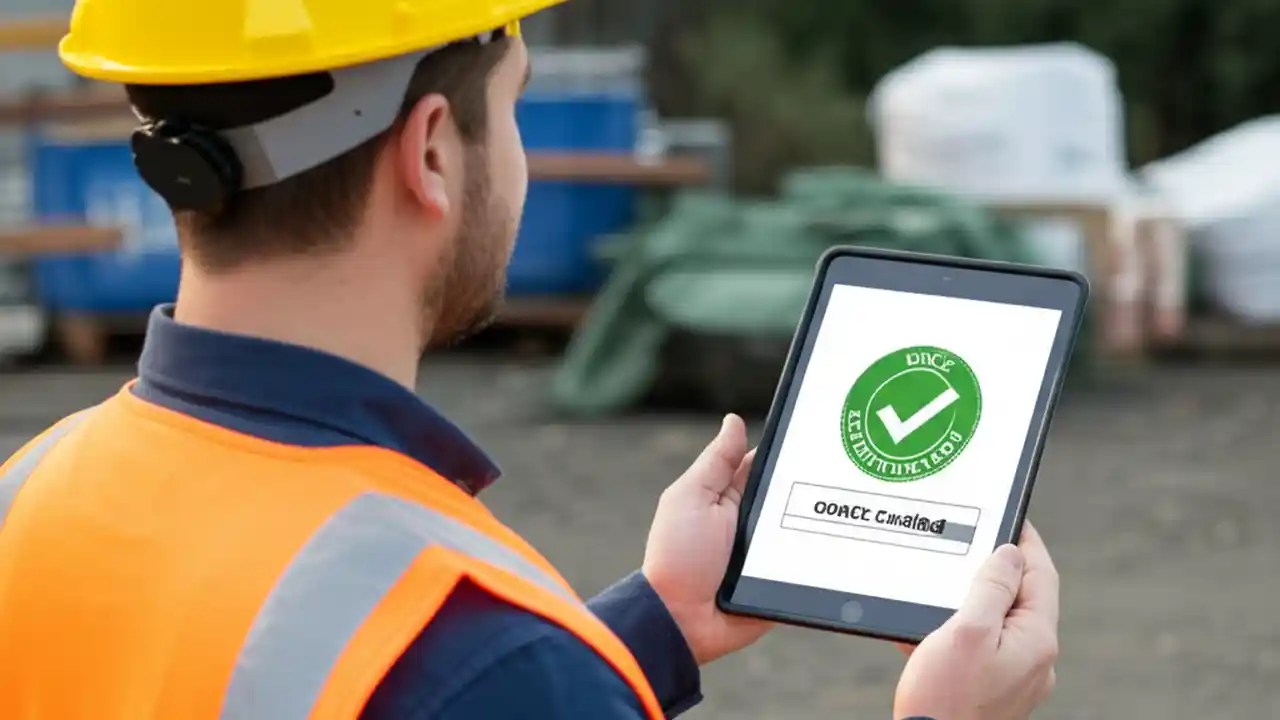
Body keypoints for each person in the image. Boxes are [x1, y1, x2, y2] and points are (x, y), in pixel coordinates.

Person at [0, 1, 1059, 718]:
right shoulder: (473, 646)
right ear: (428, 152)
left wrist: (656, 627)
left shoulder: (31, 492)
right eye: (509, 105)